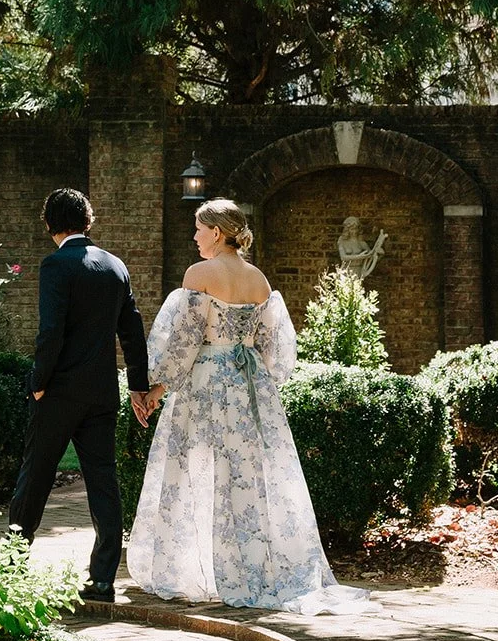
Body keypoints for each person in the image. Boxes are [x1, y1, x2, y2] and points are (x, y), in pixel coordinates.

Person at [127, 197, 367, 613]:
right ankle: (251, 567)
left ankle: (196, 568)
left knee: (194, 468)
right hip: (250, 386)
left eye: (199, 229)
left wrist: (155, 389)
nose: (194, 236)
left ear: (217, 233)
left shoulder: (199, 273)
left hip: (206, 385)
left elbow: (183, 342)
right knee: (247, 475)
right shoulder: (260, 280)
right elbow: (274, 349)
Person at [9, 187, 151, 603]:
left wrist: (37, 381)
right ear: (88, 221)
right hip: (102, 393)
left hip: (58, 393)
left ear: (49, 223)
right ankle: (103, 580)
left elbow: (50, 331)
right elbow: (132, 332)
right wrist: (138, 386)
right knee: (103, 480)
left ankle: (13, 565)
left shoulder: (56, 266)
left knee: (35, 474)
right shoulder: (115, 267)